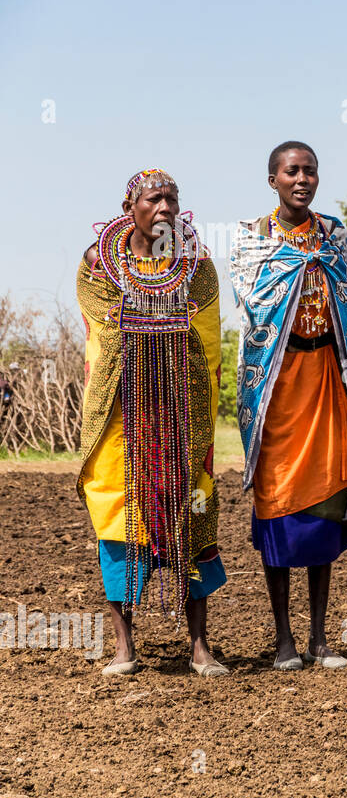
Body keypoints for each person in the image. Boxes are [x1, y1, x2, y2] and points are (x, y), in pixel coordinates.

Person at [77, 169, 228, 676]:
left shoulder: (196, 264)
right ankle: (125, 648)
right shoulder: (100, 264)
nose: (163, 207)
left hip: (179, 410)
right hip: (123, 411)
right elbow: (105, 331)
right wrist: (155, 320)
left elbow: (206, 339)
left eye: (172, 198)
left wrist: (156, 327)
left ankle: (200, 646)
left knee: (189, 506)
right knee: (118, 512)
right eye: (153, 198)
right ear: (130, 206)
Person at [228, 141, 347, 671]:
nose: (302, 179)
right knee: (279, 500)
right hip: (277, 385)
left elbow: (346, 294)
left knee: (324, 504)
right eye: (292, 171)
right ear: (273, 180)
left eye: (310, 170)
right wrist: (294, 266)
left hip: (327, 376)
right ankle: (283, 639)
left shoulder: (333, 233)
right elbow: (252, 298)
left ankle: (320, 638)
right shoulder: (250, 237)